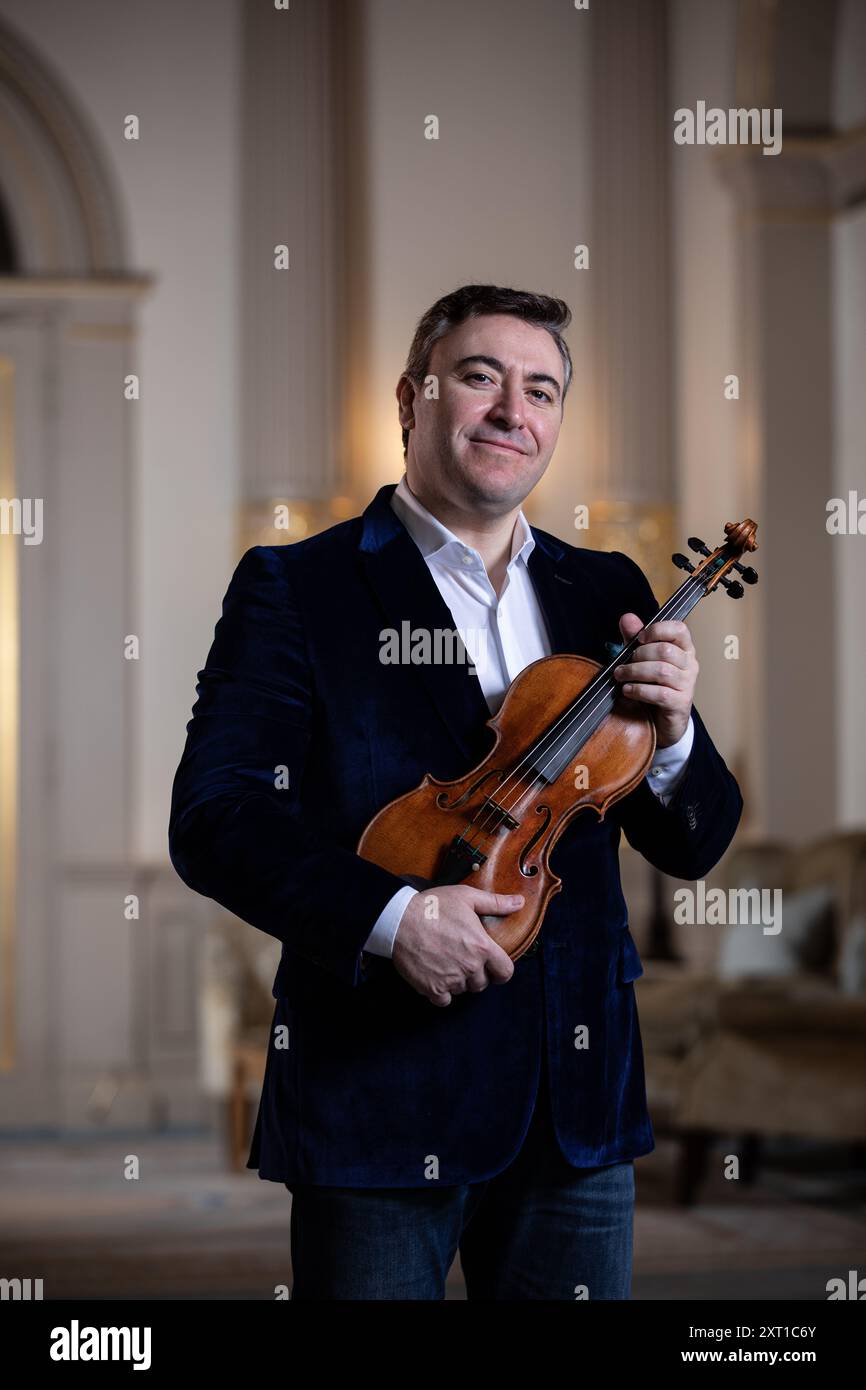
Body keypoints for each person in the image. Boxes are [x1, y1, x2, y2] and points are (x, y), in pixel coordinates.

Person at [168, 284, 742, 1299]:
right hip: (377, 1089)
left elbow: (692, 841)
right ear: (411, 396)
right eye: (479, 377)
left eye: (541, 390)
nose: (511, 411)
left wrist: (674, 733)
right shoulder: (297, 586)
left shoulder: (603, 587)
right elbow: (216, 816)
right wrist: (392, 918)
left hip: (576, 1105)